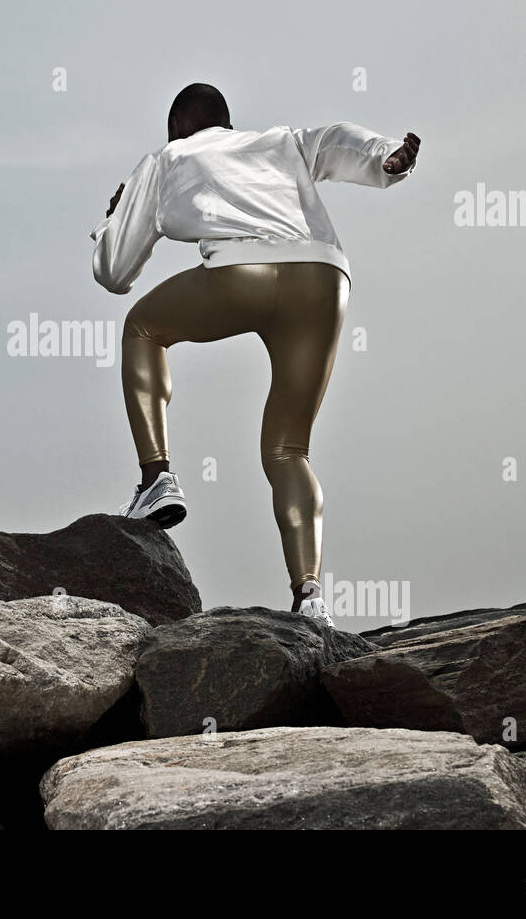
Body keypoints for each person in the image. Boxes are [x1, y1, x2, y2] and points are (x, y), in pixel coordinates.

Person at [89, 83, 420, 626]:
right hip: (321, 277)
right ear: (227, 123)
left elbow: (114, 272)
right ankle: (310, 596)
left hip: (240, 275)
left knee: (143, 329)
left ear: (176, 128)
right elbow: (334, 140)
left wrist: (112, 221)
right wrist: (388, 157)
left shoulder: (167, 157)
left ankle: (156, 480)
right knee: (289, 450)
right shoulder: (279, 142)